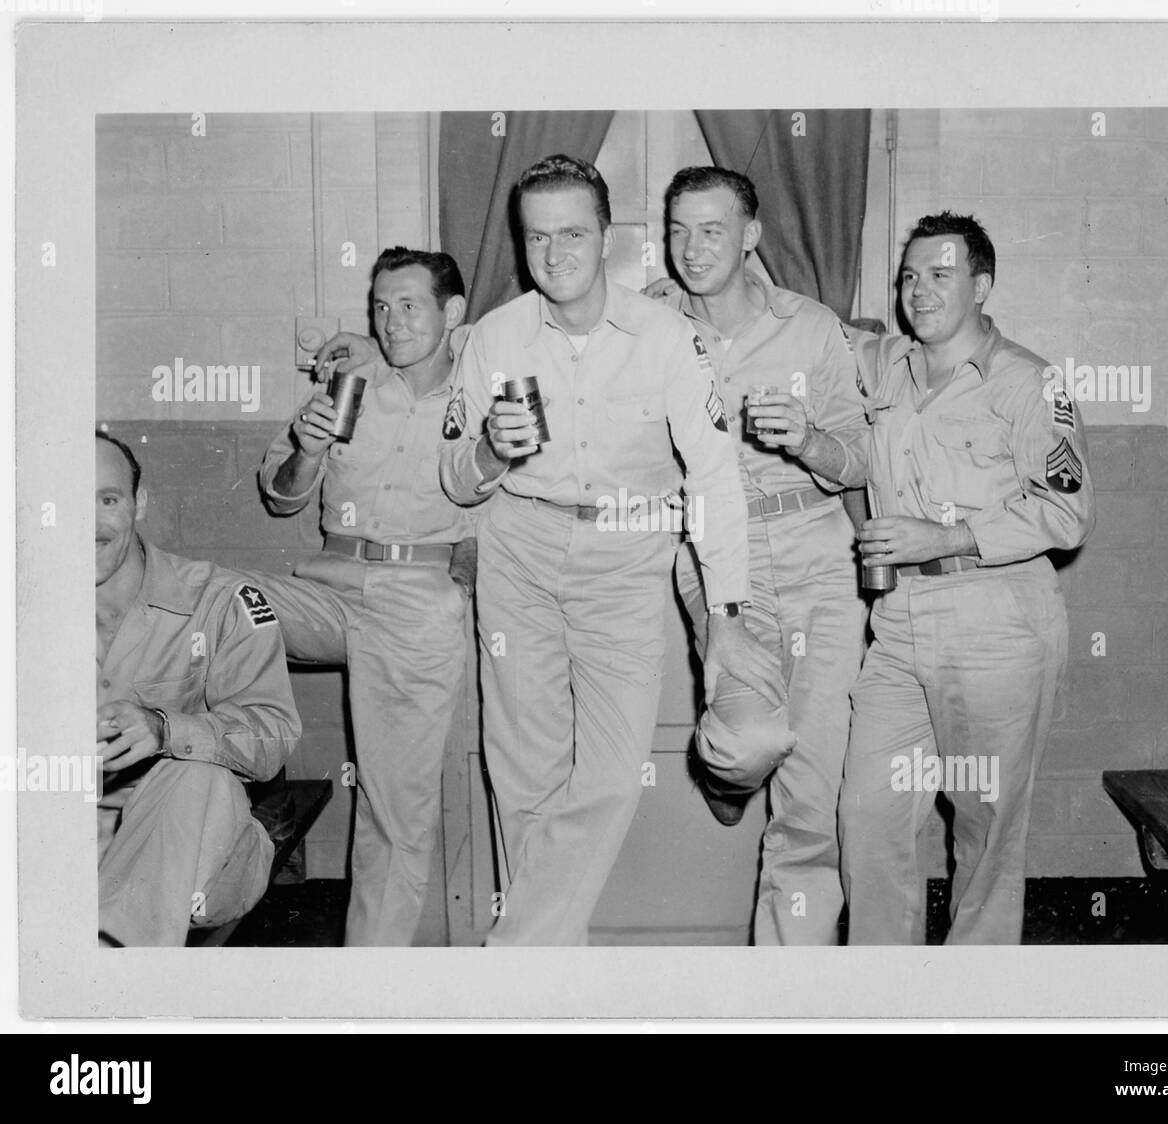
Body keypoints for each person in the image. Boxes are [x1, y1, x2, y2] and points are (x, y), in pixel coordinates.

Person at [440, 153, 755, 946]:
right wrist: (487, 451)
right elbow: (455, 480)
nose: (555, 255)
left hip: (625, 551)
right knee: (523, 779)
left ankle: (515, 957)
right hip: (519, 547)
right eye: (537, 237)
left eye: (573, 234)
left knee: (612, 776)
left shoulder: (669, 337)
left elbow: (714, 474)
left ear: (607, 237)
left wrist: (727, 613)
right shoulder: (493, 337)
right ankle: (551, 979)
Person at [842, 212, 1095, 945]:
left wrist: (949, 535)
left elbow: (1067, 513)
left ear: (981, 285)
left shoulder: (1029, 383)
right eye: (910, 276)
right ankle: (884, 1004)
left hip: (996, 624)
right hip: (896, 623)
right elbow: (822, 360)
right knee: (869, 818)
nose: (918, 291)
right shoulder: (885, 366)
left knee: (985, 836)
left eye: (940, 275)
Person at [656, 166, 869, 945]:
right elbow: (530, 332)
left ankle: (790, 997)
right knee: (749, 740)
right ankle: (726, 779)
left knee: (814, 799)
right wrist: (372, 351)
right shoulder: (646, 320)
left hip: (821, 551)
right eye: (678, 229)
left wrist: (810, 439)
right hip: (719, 557)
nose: (692, 248)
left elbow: (861, 456)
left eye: (712, 230)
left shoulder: (811, 326)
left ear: (750, 235)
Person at [255, 247, 476, 947]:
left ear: (453, 313)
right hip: (329, 588)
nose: (391, 322)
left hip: (417, 608)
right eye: (380, 306)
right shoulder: (350, 384)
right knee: (209, 599)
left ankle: (369, 987)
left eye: (409, 305)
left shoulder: (483, 385)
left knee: (393, 816)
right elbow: (283, 497)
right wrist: (308, 451)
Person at [95, 431, 301, 946]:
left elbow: (272, 736)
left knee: (193, 779)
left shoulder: (222, 599)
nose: (86, 525)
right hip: (71, 847)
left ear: (139, 504)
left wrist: (165, 730)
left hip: (203, 851)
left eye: (107, 500)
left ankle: (110, 967)